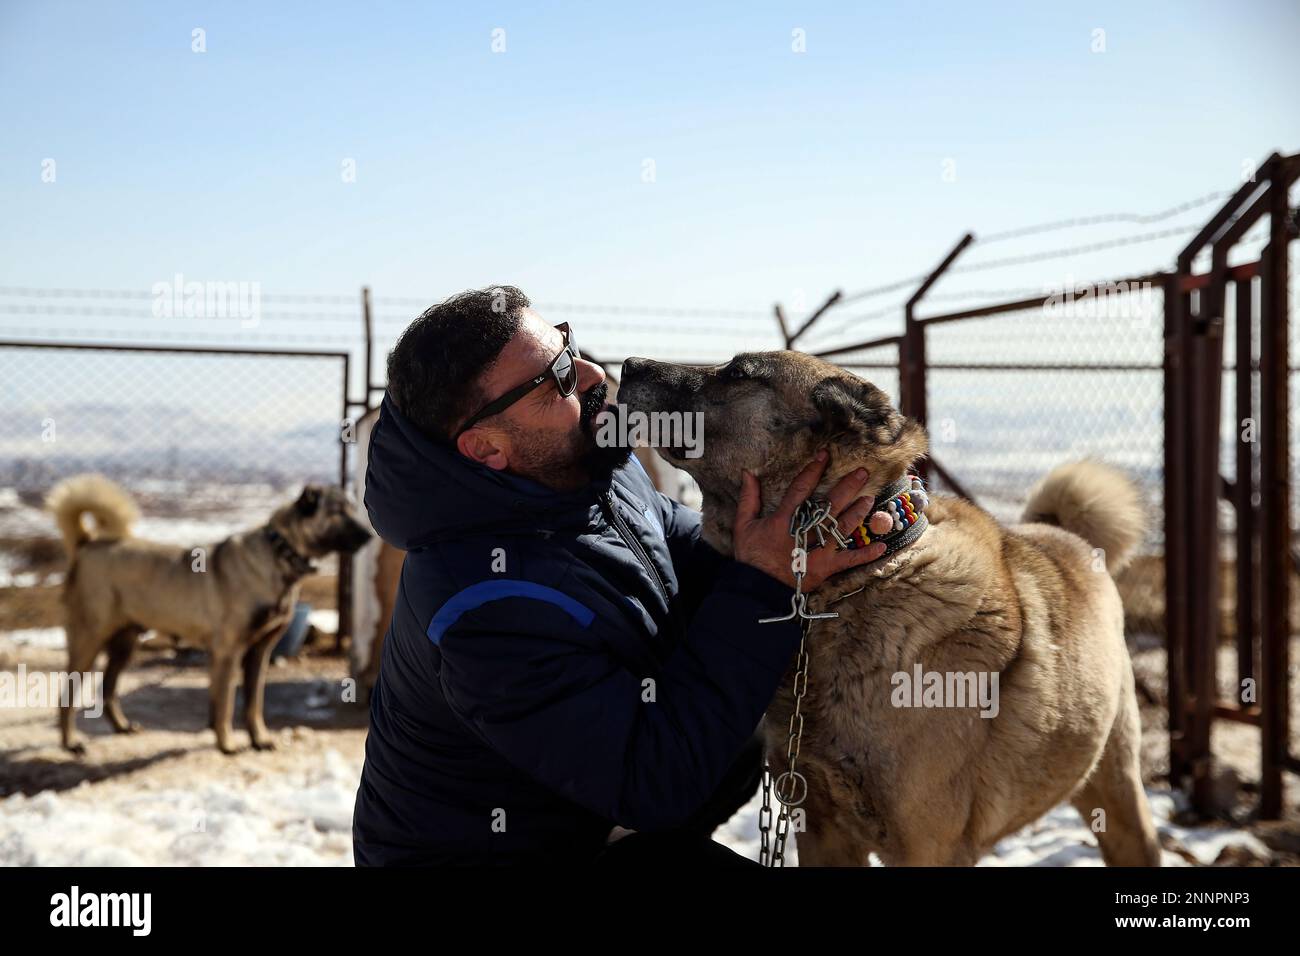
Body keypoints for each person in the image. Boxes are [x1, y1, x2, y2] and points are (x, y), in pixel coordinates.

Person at [351, 286, 885, 865]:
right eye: (555, 378)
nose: (590, 372)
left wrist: (796, 536)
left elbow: (680, 546)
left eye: (569, 344)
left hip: (581, 813)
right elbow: (652, 781)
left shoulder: (583, 468)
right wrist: (764, 583)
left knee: (736, 732)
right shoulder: (484, 605)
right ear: (486, 448)